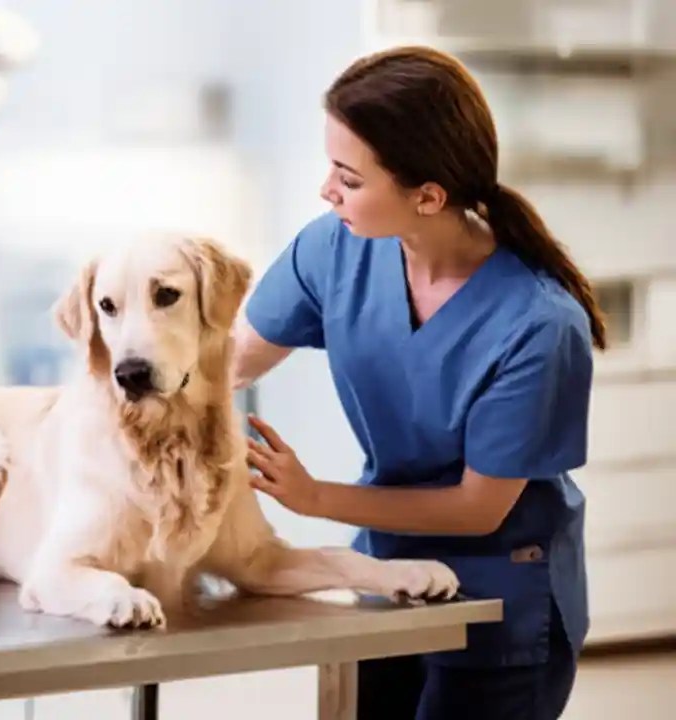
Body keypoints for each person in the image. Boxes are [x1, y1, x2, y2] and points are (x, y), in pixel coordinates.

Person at [232, 45, 600, 720]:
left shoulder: (538, 324)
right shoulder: (333, 247)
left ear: (428, 196)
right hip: (386, 576)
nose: (326, 190)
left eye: (347, 176)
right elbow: (232, 361)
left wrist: (315, 497)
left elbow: (475, 509)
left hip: (499, 591)